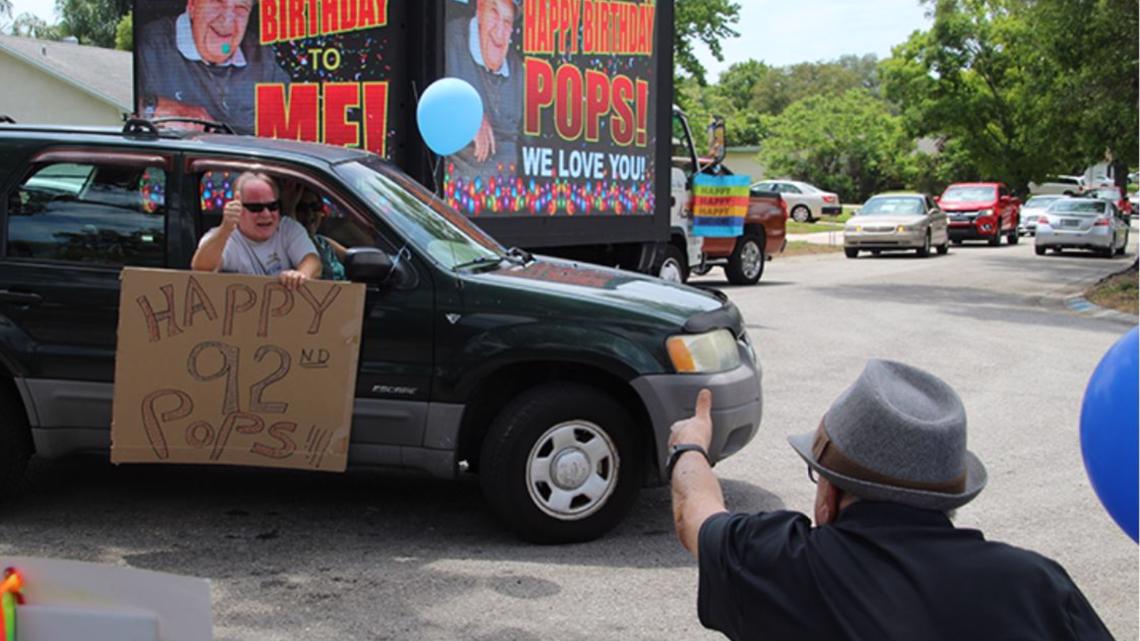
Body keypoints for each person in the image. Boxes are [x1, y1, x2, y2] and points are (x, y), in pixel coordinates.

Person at [668, 360, 1114, 641]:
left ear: (832, 493)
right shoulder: (1035, 586)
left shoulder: (786, 565)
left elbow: (696, 514)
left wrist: (689, 446)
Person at [136, 0, 289, 135]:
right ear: (192, 5)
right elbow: (121, 111)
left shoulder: (260, 56)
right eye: (216, 2)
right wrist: (155, 107)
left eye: (241, 8)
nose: (227, 22)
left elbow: (297, 117)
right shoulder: (151, 45)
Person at [191, 172, 320, 289]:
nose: (266, 214)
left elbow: (312, 261)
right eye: (256, 207)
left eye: (272, 206)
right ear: (237, 207)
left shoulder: (288, 228)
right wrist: (225, 229)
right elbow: (201, 268)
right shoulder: (225, 236)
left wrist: (300, 276)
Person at [444, 0, 523, 177]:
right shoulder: (447, 43)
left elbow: (516, 144)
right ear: (479, 9)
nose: (499, 31)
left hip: (500, 195)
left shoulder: (516, 69)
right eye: (494, 14)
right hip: (449, 192)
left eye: (507, 21)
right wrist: (465, 111)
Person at [292, 189, 347, 281]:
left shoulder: (323, 242)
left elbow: (356, 258)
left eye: (315, 207)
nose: (309, 215)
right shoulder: (289, 246)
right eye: (301, 208)